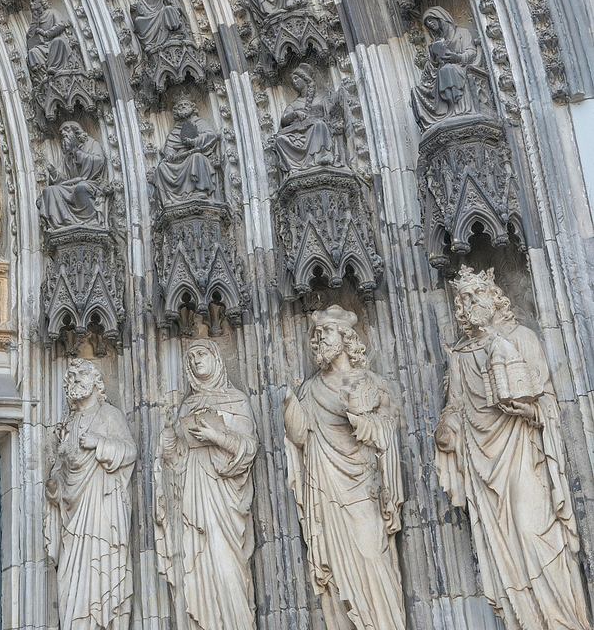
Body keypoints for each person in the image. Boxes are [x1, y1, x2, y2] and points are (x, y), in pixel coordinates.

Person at [435, 266, 591, 630]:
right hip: (481, 460)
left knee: (533, 528)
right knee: (502, 543)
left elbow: (548, 400)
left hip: (521, 449)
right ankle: (529, 620)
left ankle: (564, 620)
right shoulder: (460, 356)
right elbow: (455, 407)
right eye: (464, 299)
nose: (470, 304)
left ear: (495, 298)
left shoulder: (521, 338)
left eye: (477, 296)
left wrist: (533, 410)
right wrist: (447, 429)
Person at [283, 305, 407, 630]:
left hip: (361, 486)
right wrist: (289, 408)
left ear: (346, 337)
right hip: (326, 487)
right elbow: (300, 436)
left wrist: (361, 419)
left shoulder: (371, 383)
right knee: (337, 571)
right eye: (318, 333)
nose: (320, 338)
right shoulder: (310, 389)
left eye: (327, 332)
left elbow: (385, 431)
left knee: (372, 556)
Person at [155, 340, 258, 630]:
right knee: (197, 569)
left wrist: (218, 436)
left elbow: (248, 449)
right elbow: (175, 460)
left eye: (201, 354)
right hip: (193, 493)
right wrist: (169, 439)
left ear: (215, 358)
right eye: (191, 357)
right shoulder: (188, 406)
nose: (196, 360)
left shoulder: (236, 401)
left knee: (228, 567)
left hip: (225, 497)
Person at [46, 359, 136, 630]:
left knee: (102, 575)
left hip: (102, 513)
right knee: (71, 582)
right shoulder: (68, 425)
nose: (75, 379)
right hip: (73, 519)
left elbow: (129, 451)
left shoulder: (110, 415)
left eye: (82, 374)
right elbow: (62, 473)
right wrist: (55, 487)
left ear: (96, 382)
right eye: (71, 376)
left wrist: (101, 444)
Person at [412, 7, 489, 128]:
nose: (431, 25)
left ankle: (458, 109)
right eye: (428, 24)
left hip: (461, 67)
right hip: (442, 74)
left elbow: (471, 52)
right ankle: (449, 112)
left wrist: (457, 58)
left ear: (441, 18)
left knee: (447, 70)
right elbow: (431, 70)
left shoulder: (462, 33)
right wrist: (433, 57)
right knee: (417, 91)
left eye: (432, 21)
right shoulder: (436, 41)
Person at [37, 122, 107, 230]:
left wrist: (76, 152)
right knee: (50, 191)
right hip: (72, 185)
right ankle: (60, 225)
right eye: (61, 134)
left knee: (81, 188)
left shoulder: (92, 144)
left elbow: (98, 161)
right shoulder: (68, 157)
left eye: (67, 130)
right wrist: (54, 173)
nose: (64, 135)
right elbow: (67, 179)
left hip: (91, 182)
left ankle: (91, 221)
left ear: (76, 131)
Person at [272, 64, 338, 176]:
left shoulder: (321, 98)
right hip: (299, 135)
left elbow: (330, 116)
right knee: (280, 140)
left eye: (297, 78)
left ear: (305, 79)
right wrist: (294, 114)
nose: (294, 82)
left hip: (318, 131)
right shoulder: (294, 104)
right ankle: (294, 167)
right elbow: (284, 121)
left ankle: (322, 155)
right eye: (292, 80)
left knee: (319, 125)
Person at [153, 98, 222, 207]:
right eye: (180, 106)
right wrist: (170, 154)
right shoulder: (175, 130)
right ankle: (171, 199)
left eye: (186, 105)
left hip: (195, 153)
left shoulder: (200, 123)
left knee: (197, 157)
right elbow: (169, 147)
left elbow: (211, 135)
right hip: (180, 159)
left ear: (192, 108)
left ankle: (200, 191)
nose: (183, 107)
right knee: (162, 167)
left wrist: (195, 141)